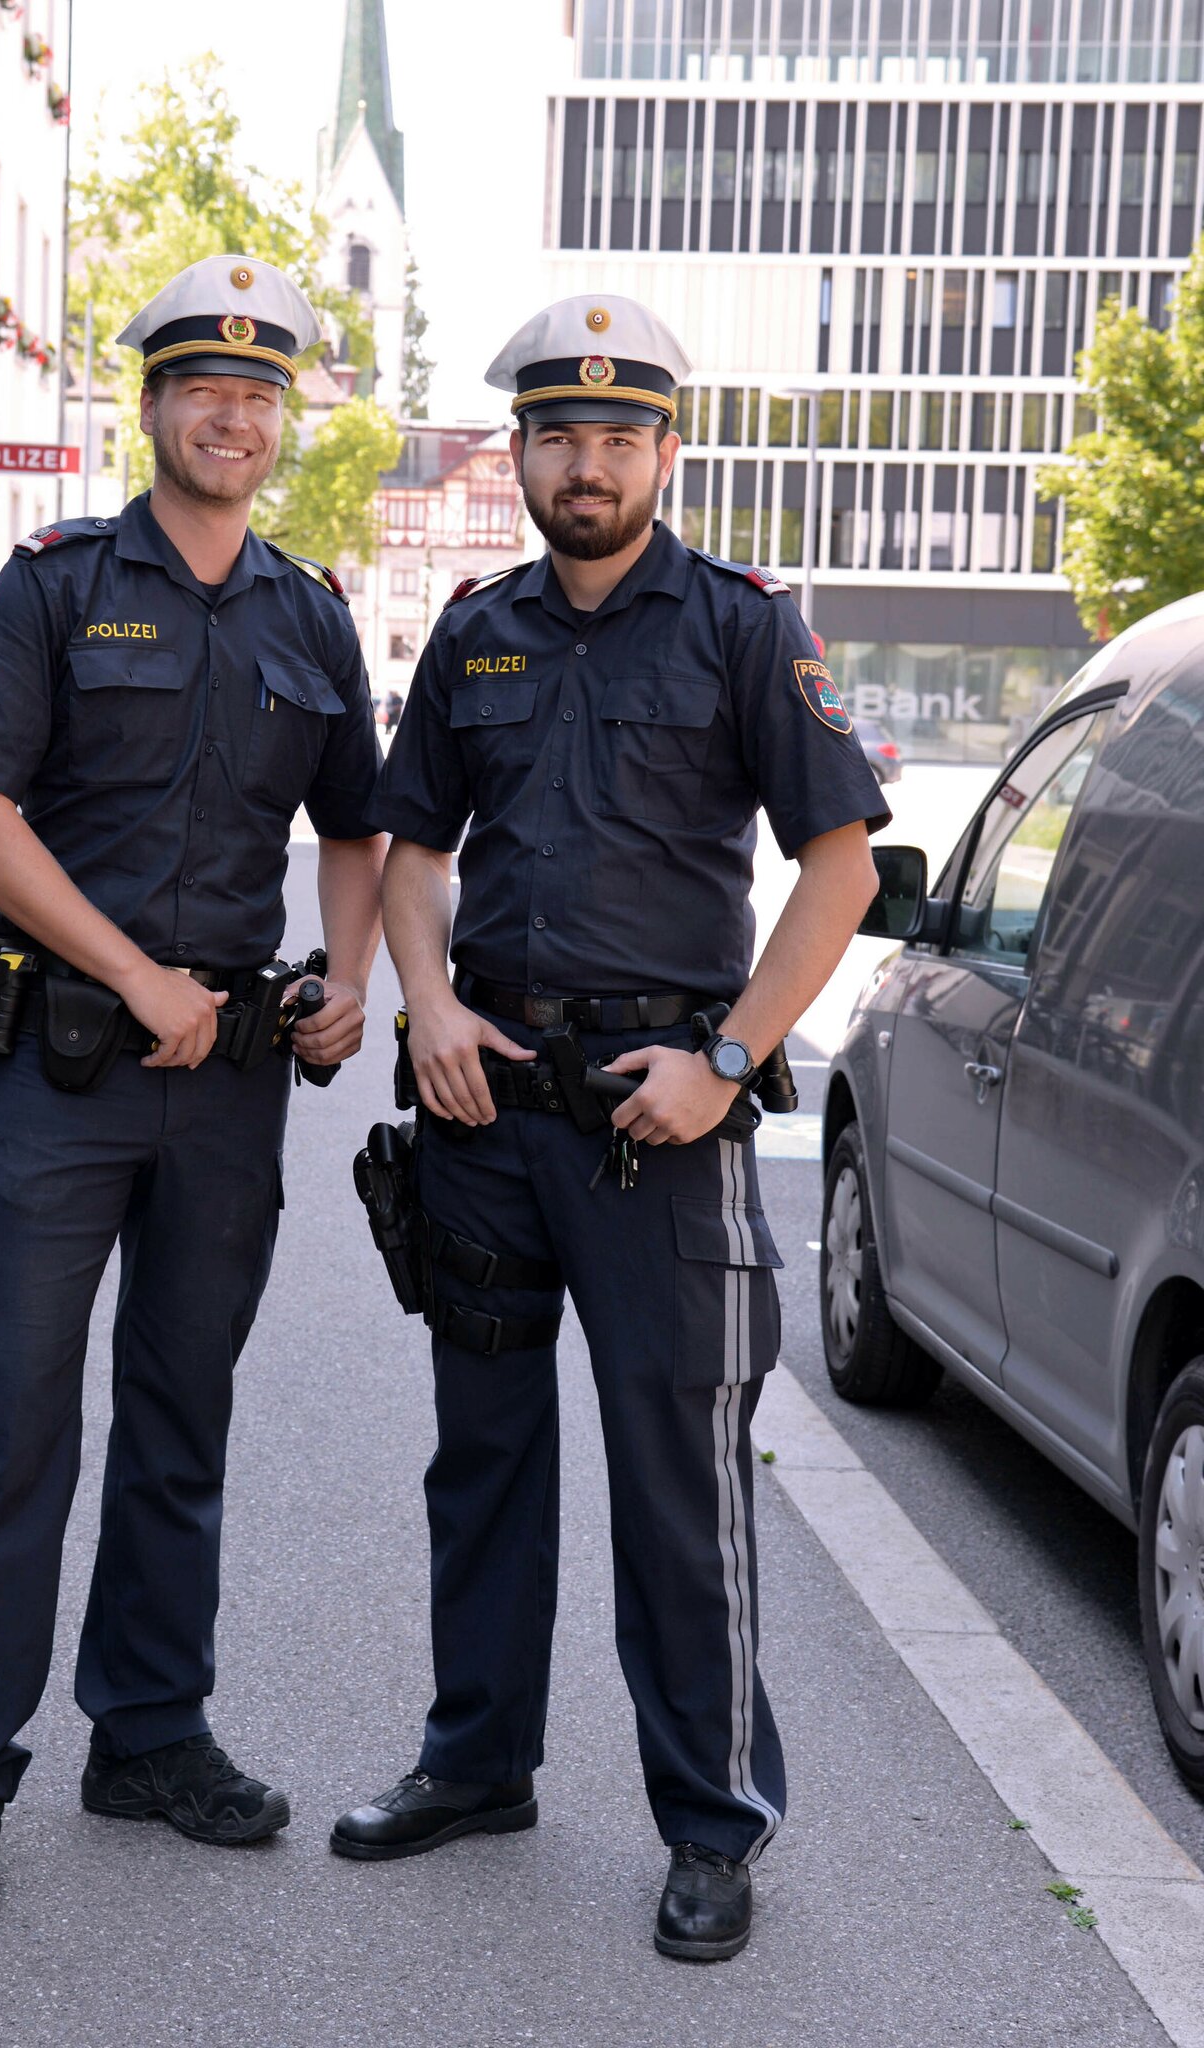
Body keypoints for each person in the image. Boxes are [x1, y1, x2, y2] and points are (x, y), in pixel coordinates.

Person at [334, 295, 888, 1961]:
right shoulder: (477, 631)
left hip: (660, 1123)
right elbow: (414, 851)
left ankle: (713, 1822)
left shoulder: (741, 629)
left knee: (676, 1482)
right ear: (519, 455)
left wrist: (728, 1058)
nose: (588, 464)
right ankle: (476, 1763)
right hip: (487, 1110)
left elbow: (842, 867)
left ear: (665, 454)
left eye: (619, 438)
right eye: (560, 436)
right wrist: (429, 1006)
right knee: (482, 1461)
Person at [0, 255, 385, 1933]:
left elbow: (357, 826)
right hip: (63, 1068)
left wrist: (346, 978)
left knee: (183, 1421)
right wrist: (135, 974)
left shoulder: (312, 616)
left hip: (229, 1091)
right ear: (154, 407)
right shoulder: (57, 586)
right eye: (204, 392)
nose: (232, 419)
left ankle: (150, 1736)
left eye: (259, 397)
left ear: (280, 424)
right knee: (7, 1430)